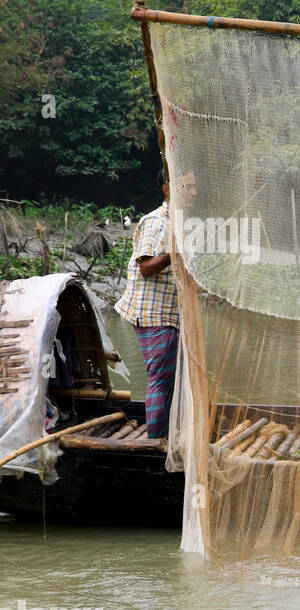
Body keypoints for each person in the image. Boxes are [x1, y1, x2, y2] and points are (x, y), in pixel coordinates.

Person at [115, 167, 179, 439]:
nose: (193, 193)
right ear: (166, 188)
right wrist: (173, 256)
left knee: (168, 379)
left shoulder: (180, 222)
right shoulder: (156, 221)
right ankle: (156, 441)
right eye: (186, 186)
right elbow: (146, 268)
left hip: (169, 314)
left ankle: (164, 434)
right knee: (161, 381)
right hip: (153, 314)